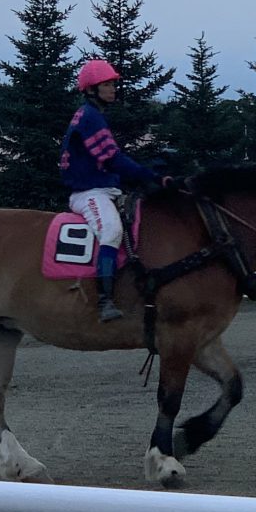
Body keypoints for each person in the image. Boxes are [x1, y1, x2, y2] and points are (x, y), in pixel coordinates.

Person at [60, 58, 165, 323]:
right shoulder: (90, 118)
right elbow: (112, 159)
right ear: (91, 89)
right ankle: (104, 300)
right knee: (111, 230)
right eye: (107, 84)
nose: (113, 89)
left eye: (113, 84)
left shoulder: (93, 115)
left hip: (105, 189)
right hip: (89, 193)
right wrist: (148, 176)